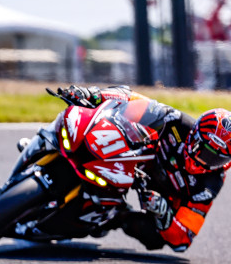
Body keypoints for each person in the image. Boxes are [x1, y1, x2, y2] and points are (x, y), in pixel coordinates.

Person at [44, 85, 231, 252]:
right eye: (205, 152)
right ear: (194, 136)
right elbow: (132, 98)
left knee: (155, 239)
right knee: (91, 123)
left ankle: (115, 216)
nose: (206, 162)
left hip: (156, 195)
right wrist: (93, 94)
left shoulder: (209, 185)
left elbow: (184, 239)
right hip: (137, 159)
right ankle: (46, 146)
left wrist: (163, 213)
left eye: (217, 159)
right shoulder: (177, 122)